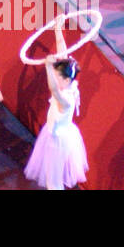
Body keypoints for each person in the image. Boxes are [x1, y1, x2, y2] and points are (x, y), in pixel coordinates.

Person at [23, 28, 87, 190]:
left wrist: (48, 67)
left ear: (65, 80)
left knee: (54, 182)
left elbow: (54, 89)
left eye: (58, 76)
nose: (55, 78)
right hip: (54, 134)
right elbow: (62, 53)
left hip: (58, 141)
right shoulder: (70, 83)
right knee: (52, 178)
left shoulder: (65, 98)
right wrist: (58, 30)